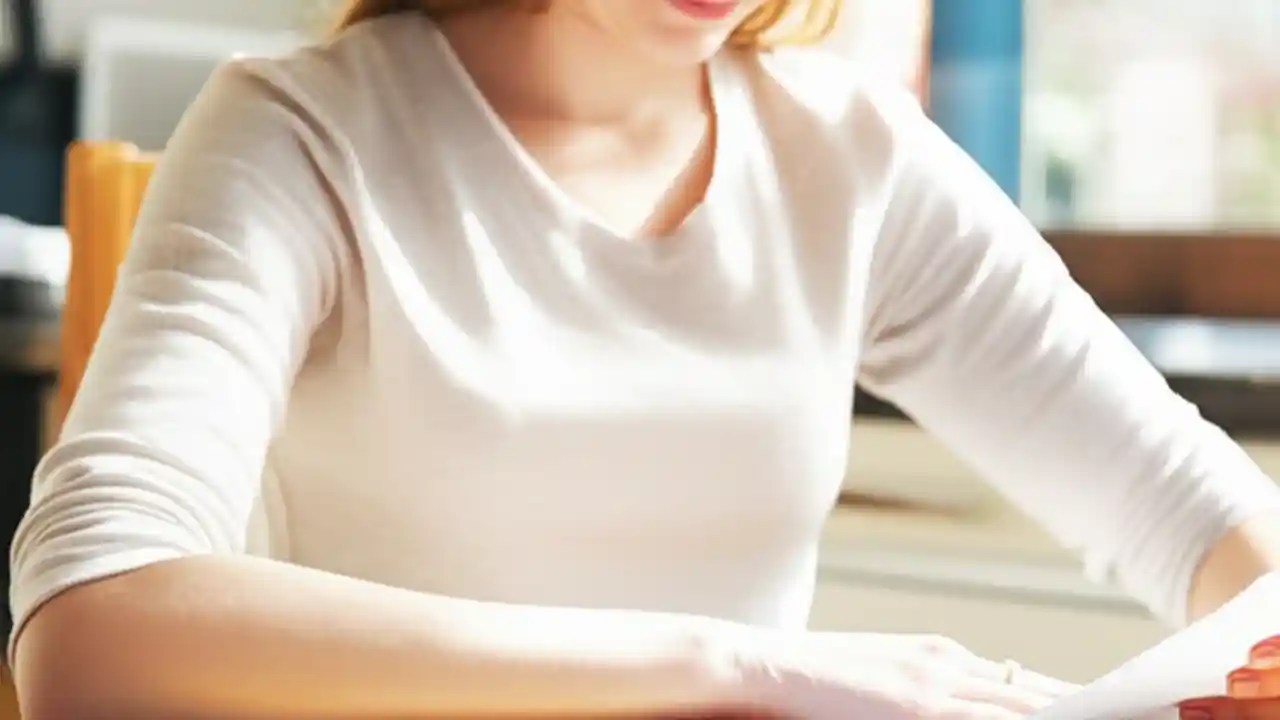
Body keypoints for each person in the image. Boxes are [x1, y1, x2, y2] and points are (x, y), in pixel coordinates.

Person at [8, 0, 1280, 717]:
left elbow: (1196, 512)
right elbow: (89, 628)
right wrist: (737, 665)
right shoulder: (304, 135)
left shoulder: (848, 157)